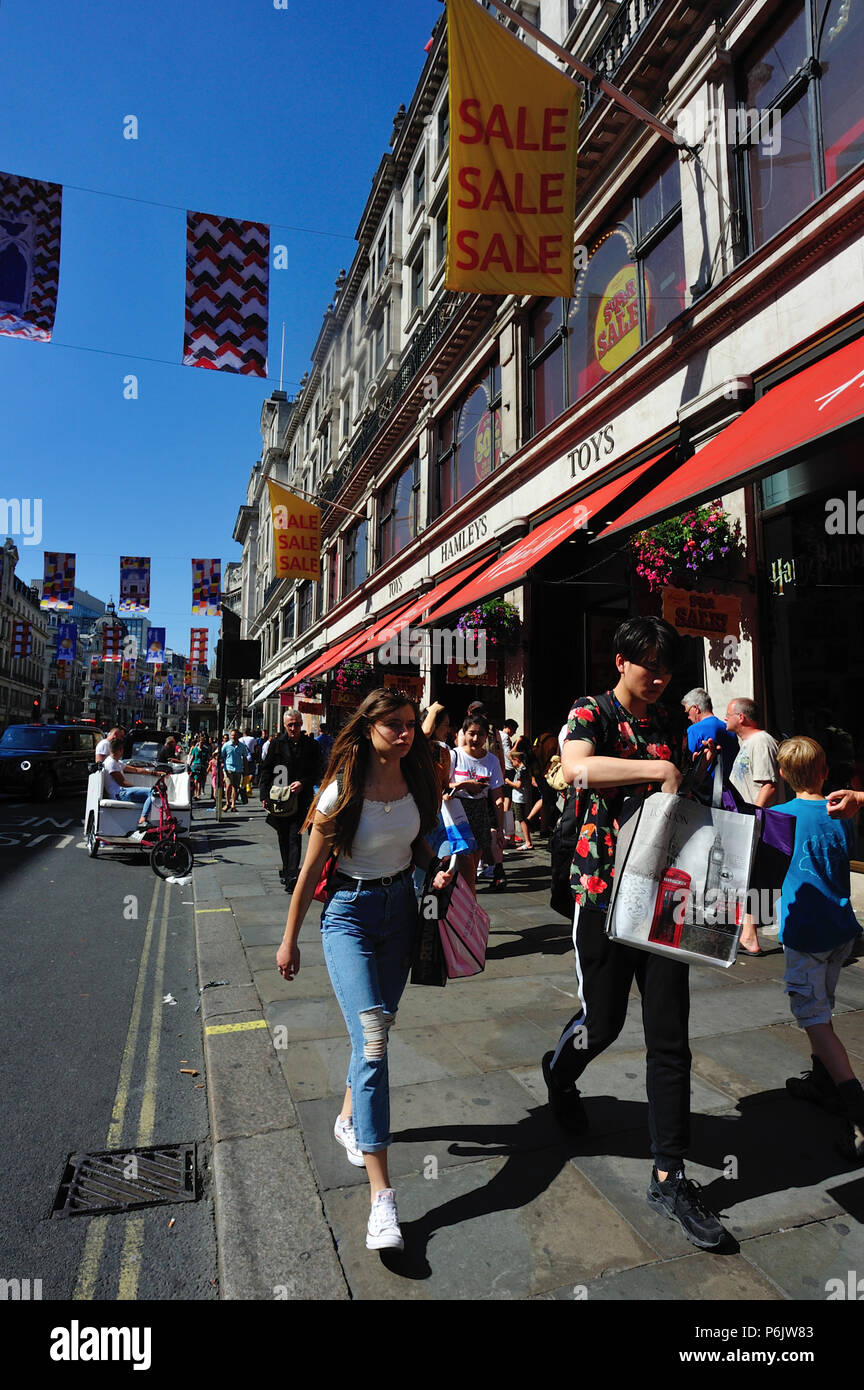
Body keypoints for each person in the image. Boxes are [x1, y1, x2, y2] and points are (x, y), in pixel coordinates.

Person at [542, 615, 730, 1251]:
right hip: (600, 894)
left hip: (662, 898)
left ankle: (669, 1173)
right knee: (604, 1022)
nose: (659, 678)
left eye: (668, 669)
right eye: (648, 665)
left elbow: (690, 800)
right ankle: (560, 1073)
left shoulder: (670, 723)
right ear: (621, 662)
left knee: (670, 1036)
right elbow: (578, 771)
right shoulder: (588, 713)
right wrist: (654, 772)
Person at [276, 689, 454, 1252]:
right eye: (394, 726)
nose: (406, 734)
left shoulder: (417, 781)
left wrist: (437, 869)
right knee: (373, 1041)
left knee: (377, 1027)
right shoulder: (339, 793)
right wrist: (289, 942)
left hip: (402, 912)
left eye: (410, 725)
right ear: (369, 728)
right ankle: (383, 1198)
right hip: (349, 917)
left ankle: (348, 1118)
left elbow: (418, 845)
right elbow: (308, 875)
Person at [773, 737, 863, 1163]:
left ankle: (856, 1105)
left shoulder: (778, 817)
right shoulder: (841, 810)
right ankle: (823, 1083)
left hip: (805, 931)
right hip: (840, 927)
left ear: (783, 776)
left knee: (811, 1014)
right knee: (822, 1004)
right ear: (825, 773)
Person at [725, 697, 781, 956]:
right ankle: (748, 934)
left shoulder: (761, 741)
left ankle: (750, 936)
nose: (725, 718)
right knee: (747, 875)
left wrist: (754, 818)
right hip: (745, 818)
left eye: (728, 714)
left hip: (753, 820)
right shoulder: (748, 743)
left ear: (742, 718)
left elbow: (769, 784)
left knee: (752, 876)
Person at [260, 710, 322, 890]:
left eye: (296, 724)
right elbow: (266, 770)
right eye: (290, 725)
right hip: (279, 800)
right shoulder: (276, 744)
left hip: (301, 799)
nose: (294, 728)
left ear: (301, 724)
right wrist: (264, 795)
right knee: (282, 836)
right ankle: (287, 869)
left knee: (295, 836)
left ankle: (292, 876)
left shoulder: (311, 745)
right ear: (284, 725)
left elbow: (318, 771)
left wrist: (303, 783)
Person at [449, 712, 506, 893]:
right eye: (471, 733)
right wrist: (465, 785)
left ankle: (467, 903)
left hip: (480, 813)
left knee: (472, 865)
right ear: (463, 733)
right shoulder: (454, 756)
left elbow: (497, 796)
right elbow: (442, 787)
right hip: (456, 811)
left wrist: (500, 829)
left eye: (480, 734)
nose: (475, 738)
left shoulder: (492, 760)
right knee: (458, 862)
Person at [681, 688, 738, 786]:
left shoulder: (694, 730)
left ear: (695, 708)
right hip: (728, 790)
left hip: (705, 790)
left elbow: (690, 764)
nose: (688, 717)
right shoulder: (729, 729)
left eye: (688, 712)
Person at [101, 736, 156, 836]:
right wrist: (137, 787)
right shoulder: (111, 764)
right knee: (153, 792)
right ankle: (143, 820)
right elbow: (122, 782)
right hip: (120, 793)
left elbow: (136, 770)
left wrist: (155, 773)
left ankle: (145, 820)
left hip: (121, 792)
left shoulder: (116, 762)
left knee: (151, 794)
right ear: (120, 750)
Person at [505, 747, 542, 850]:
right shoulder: (524, 768)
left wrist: (508, 781)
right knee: (514, 816)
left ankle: (528, 842)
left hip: (519, 798)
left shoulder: (522, 770)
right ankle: (516, 839)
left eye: (513, 762)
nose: (512, 764)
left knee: (522, 819)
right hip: (517, 797)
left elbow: (518, 785)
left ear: (517, 760)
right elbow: (509, 755)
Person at [221, 729, 247, 811]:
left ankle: (233, 805)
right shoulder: (226, 745)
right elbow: (222, 756)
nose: (233, 737)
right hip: (228, 768)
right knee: (228, 785)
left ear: (238, 736)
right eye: (232, 735)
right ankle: (227, 803)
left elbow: (245, 758)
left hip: (238, 769)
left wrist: (246, 770)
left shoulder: (242, 746)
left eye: (235, 735)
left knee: (235, 787)